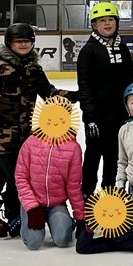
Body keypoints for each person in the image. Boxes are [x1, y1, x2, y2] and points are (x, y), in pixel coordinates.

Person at [0, 23, 71, 238]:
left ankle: (13, 213)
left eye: (27, 41)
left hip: (25, 135)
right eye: (18, 41)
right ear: (9, 43)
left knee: (18, 176)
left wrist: (75, 96)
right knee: (0, 173)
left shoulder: (34, 70)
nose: (23, 44)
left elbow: (49, 93)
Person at [78, 1, 133, 199]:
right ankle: (86, 196)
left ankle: (109, 196)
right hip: (96, 116)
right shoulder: (89, 51)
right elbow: (84, 85)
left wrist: (131, 110)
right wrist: (90, 115)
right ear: (94, 25)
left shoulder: (121, 47)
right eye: (102, 21)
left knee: (114, 157)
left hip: (118, 115)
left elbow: (130, 79)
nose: (107, 24)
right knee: (93, 156)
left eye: (110, 19)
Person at [15, 96, 85, 250]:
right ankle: (26, 218)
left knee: (63, 241)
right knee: (33, 243)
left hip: (56, 203)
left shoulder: (73, 149)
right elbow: (21, 178)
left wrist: (80, 218)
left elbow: (73, 185)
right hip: (32, 202)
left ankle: (61, 221)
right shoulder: (30, 143)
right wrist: (32, 208)